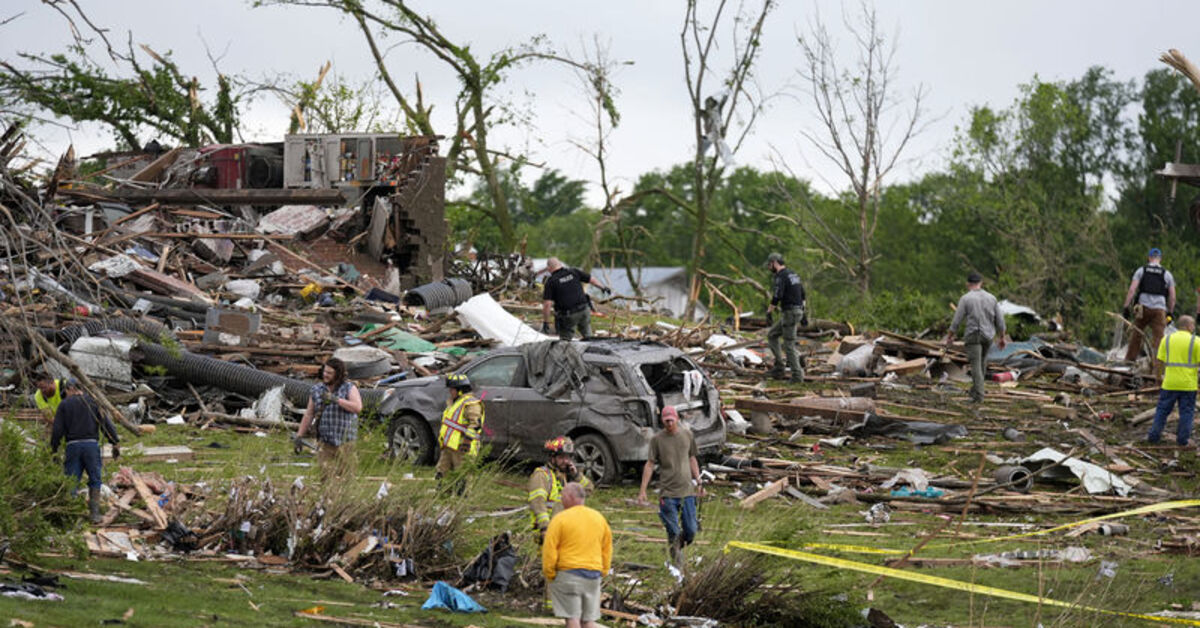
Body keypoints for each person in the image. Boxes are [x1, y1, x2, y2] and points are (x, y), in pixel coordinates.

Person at [637, 406, 704, 569]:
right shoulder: (657, 440)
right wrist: (643, 490)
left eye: (671, 420)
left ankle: (677, 547)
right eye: (666, 420)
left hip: (687, 491)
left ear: (677, 419)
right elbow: (650, 464)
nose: (668, 423)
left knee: (691, 531)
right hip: (667, 492)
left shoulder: (687, 435)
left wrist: (699, 481)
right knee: (673, 531)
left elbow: (692, 458)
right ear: (662, 421)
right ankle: (678, 565)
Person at [542, 482, 612, 628]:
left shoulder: (560, 519)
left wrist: (549, 572)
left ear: (569, 497)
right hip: (593, 575)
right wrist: (604, 570)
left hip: (568, 573)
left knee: (572, 618)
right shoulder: (598, 518)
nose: (561, 499)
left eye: (562, 496)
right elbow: (606, 548)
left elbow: (550, 549)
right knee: (588, 620)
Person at [49, 379, 120, 523]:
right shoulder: (93, 402)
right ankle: (94, 515)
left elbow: (57, 430)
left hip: (73, 447)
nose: (66, 395)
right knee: (95, 479)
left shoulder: (64, 405)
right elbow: (105, 423)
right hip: (91, 447)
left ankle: (71, 515)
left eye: (66, 392)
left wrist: (54, 449)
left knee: (71, 480)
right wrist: (115, 442)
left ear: (70, 388)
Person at [945, 272, 1008, 404]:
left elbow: (956, 321)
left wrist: (950, 336)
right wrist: (1002, 337)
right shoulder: (992, 298)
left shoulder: (965, 299)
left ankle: (978, 397)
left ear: (968, 284)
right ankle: (975, 390)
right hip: (988, 336)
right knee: (982, 363)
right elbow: (1000, 321)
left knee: (975, 366)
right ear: (981, 283)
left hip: (973, 336)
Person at [297, 357, 362, 478]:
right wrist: (299, 436)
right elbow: (309, 414)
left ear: (338, 374)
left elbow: (357, 407)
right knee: (326, 478)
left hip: (345, 441)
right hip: (325, 442)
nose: (325, 375)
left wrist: (336, 400)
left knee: (347, 478)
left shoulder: (349, 388)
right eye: (325, 371)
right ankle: (328, 497)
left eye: (329, 373)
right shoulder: (316, 390)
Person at [1147, 315, 1200, 447]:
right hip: (1188, 385)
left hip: (1169, 383)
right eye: (1193, 325)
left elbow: (1159, 361)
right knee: (1186, 413)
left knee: (1162, 411)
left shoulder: (1167, 339)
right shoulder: (1196, 341)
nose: (1194, 328)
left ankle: (1154, 436)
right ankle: (1182, 441)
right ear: (1188, 326)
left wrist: (1158, 377)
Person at [528, 436, 594, 541]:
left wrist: (576, 475)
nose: (566, 461)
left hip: (563, 531)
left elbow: (588, 490)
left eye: (568, 457)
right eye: (561, 457)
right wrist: (545, 528)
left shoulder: (564, 476)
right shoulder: (541, 475)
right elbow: (537, 502)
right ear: (552, 457)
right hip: (546, 533)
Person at [1123, 247, 1176, 363]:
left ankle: (1129, 361)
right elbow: (1172, 297)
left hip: (1143, 308)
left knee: (1136, 335)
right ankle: (1157, 366)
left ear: (1149, 258)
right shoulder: (1167, 274)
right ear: (1160, 259)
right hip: (1159, 310)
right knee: (1158, 339)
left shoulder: (1141, 270)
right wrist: (1170, 312)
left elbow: (1132, 290)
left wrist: (1126, 307)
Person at [435, 373, 485, 492]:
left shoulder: (471, 404)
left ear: (460, 390)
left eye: (452, 389)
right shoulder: (455, 402)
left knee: (462, 476)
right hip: (449, 446)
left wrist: (467, 441)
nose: (450, 392)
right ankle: (442, 496)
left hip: (462, 447)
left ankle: (461, 499)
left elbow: (475, 424)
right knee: (442, 471)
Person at [542, 257, 611, 341]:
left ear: (549, 268)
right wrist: (603, 287)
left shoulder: (551, 281)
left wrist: (546, 322)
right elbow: (590, 279)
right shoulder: (573, 271)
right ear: (560, 264)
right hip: (584, 310)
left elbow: (547, 304)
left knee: (565, 341)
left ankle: (566, 349)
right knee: (588, 336)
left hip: (568, 315)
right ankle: (591, 348)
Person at [765, 252, 808, 382]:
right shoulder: (793, 274)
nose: (769, 267)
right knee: (772, 335)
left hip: (790, 313)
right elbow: (803, 293)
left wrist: (769, 311)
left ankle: (797, 376)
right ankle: (779, 366)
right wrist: (803, 311)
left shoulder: (781, 276)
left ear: (775, 263)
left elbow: (778, 294)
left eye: (770, 264)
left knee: (789, 345)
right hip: (796, 311)